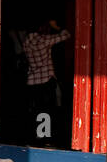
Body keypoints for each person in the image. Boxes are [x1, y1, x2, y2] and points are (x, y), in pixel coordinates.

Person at [23, 18, 72, 146]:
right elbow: (66, 35)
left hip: (32, 81)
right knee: (47, 111)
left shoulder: (27, 41)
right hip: (45, 81)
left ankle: (35, 138)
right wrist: (56, 26)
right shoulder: (43, 40)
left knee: (35, 110)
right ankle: (45, 139)